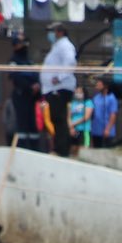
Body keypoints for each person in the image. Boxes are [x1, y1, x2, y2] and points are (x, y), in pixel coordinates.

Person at [41, 22, 78, 157]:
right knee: (55, 118)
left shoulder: (65, 46)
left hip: (60, 87)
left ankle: (62, 149)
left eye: (53, 31)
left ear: (60, 32)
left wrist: (60, 77)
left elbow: (70, 62)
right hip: (53, 88)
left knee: (59, 118)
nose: (50, 34)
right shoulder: (57, 46)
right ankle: (59, 147)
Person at [6, 40, 40, 148]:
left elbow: (36, 75)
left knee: (32, 123)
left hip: (32, 96)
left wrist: (37, 86)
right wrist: (29, 87)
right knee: (22, 122)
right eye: (20, 44)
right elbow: (14, 76)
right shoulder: (13, 61)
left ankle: (34, 148)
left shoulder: (29, 62)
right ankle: (22, 148)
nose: (23, 46)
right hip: (21, 94)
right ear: (15, 46)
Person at [90, 78, 119, 149]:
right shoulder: (96, 98)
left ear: (105, 86)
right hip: (96, 129)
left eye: (99, 83)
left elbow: (113, 114)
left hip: (107, 130)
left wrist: (108, 129)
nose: (97, 85)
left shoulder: (111, 98)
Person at [67, 85, 91, 154]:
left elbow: (86, 117)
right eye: (77, 92)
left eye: (80, 92)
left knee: (83, 149)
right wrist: (71, 127)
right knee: (72, 148)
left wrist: (73, 124)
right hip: (73, 129)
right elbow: (69, 116)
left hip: (84, 129)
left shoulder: (88, 102)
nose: (78, 94)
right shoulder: (72, 103)